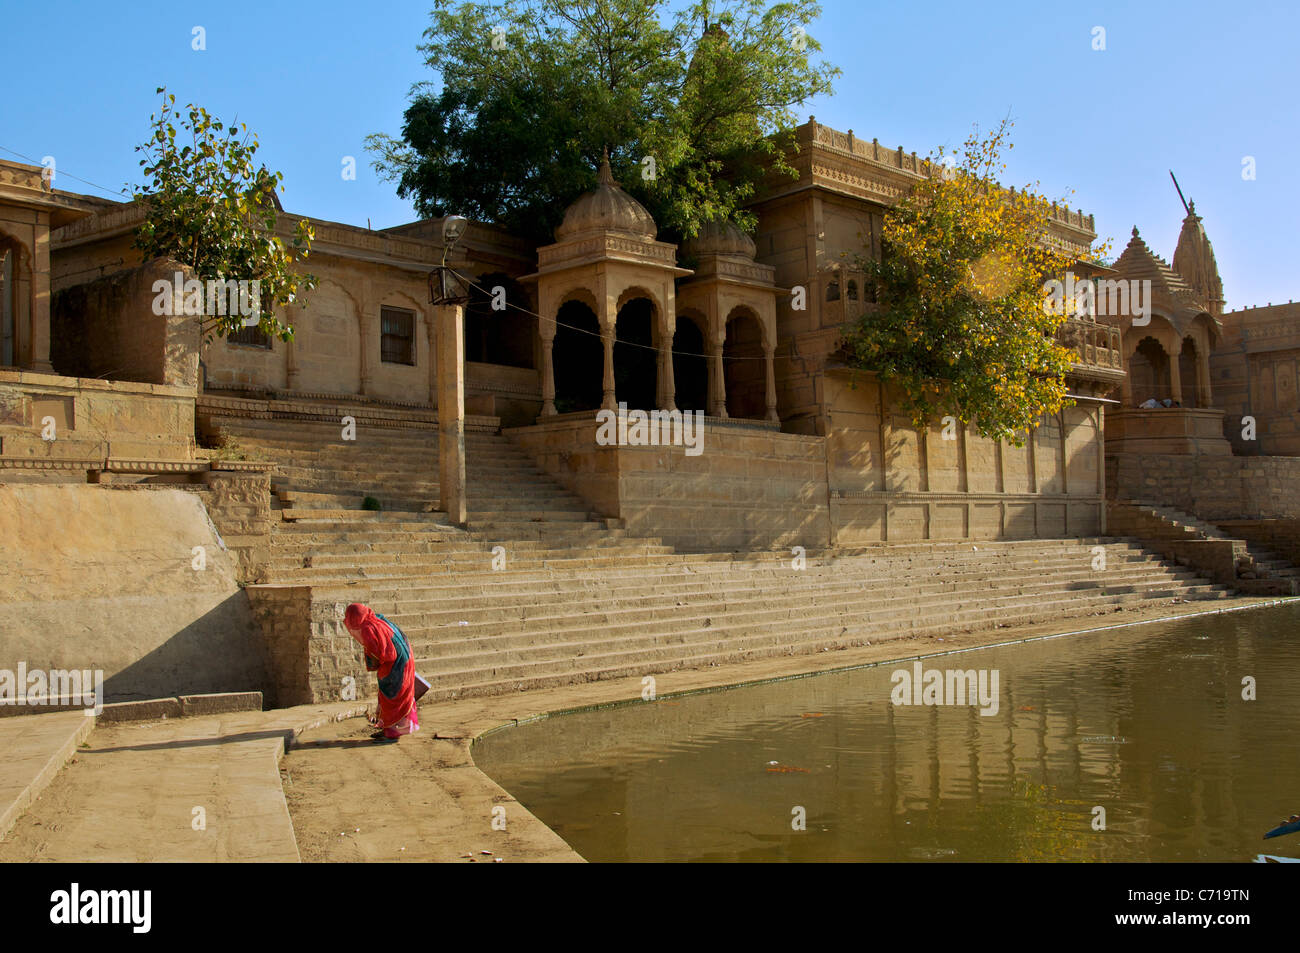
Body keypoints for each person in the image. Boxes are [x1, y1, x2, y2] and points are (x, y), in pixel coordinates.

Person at [343, 603, 420, 742]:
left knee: (392, 697)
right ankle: (388, 729)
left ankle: (392, 732)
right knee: (393, 696)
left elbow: (376, 653)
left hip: (395, 663)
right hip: (404, 657)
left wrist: (373, 664)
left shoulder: (368, 629)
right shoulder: (376, 619)